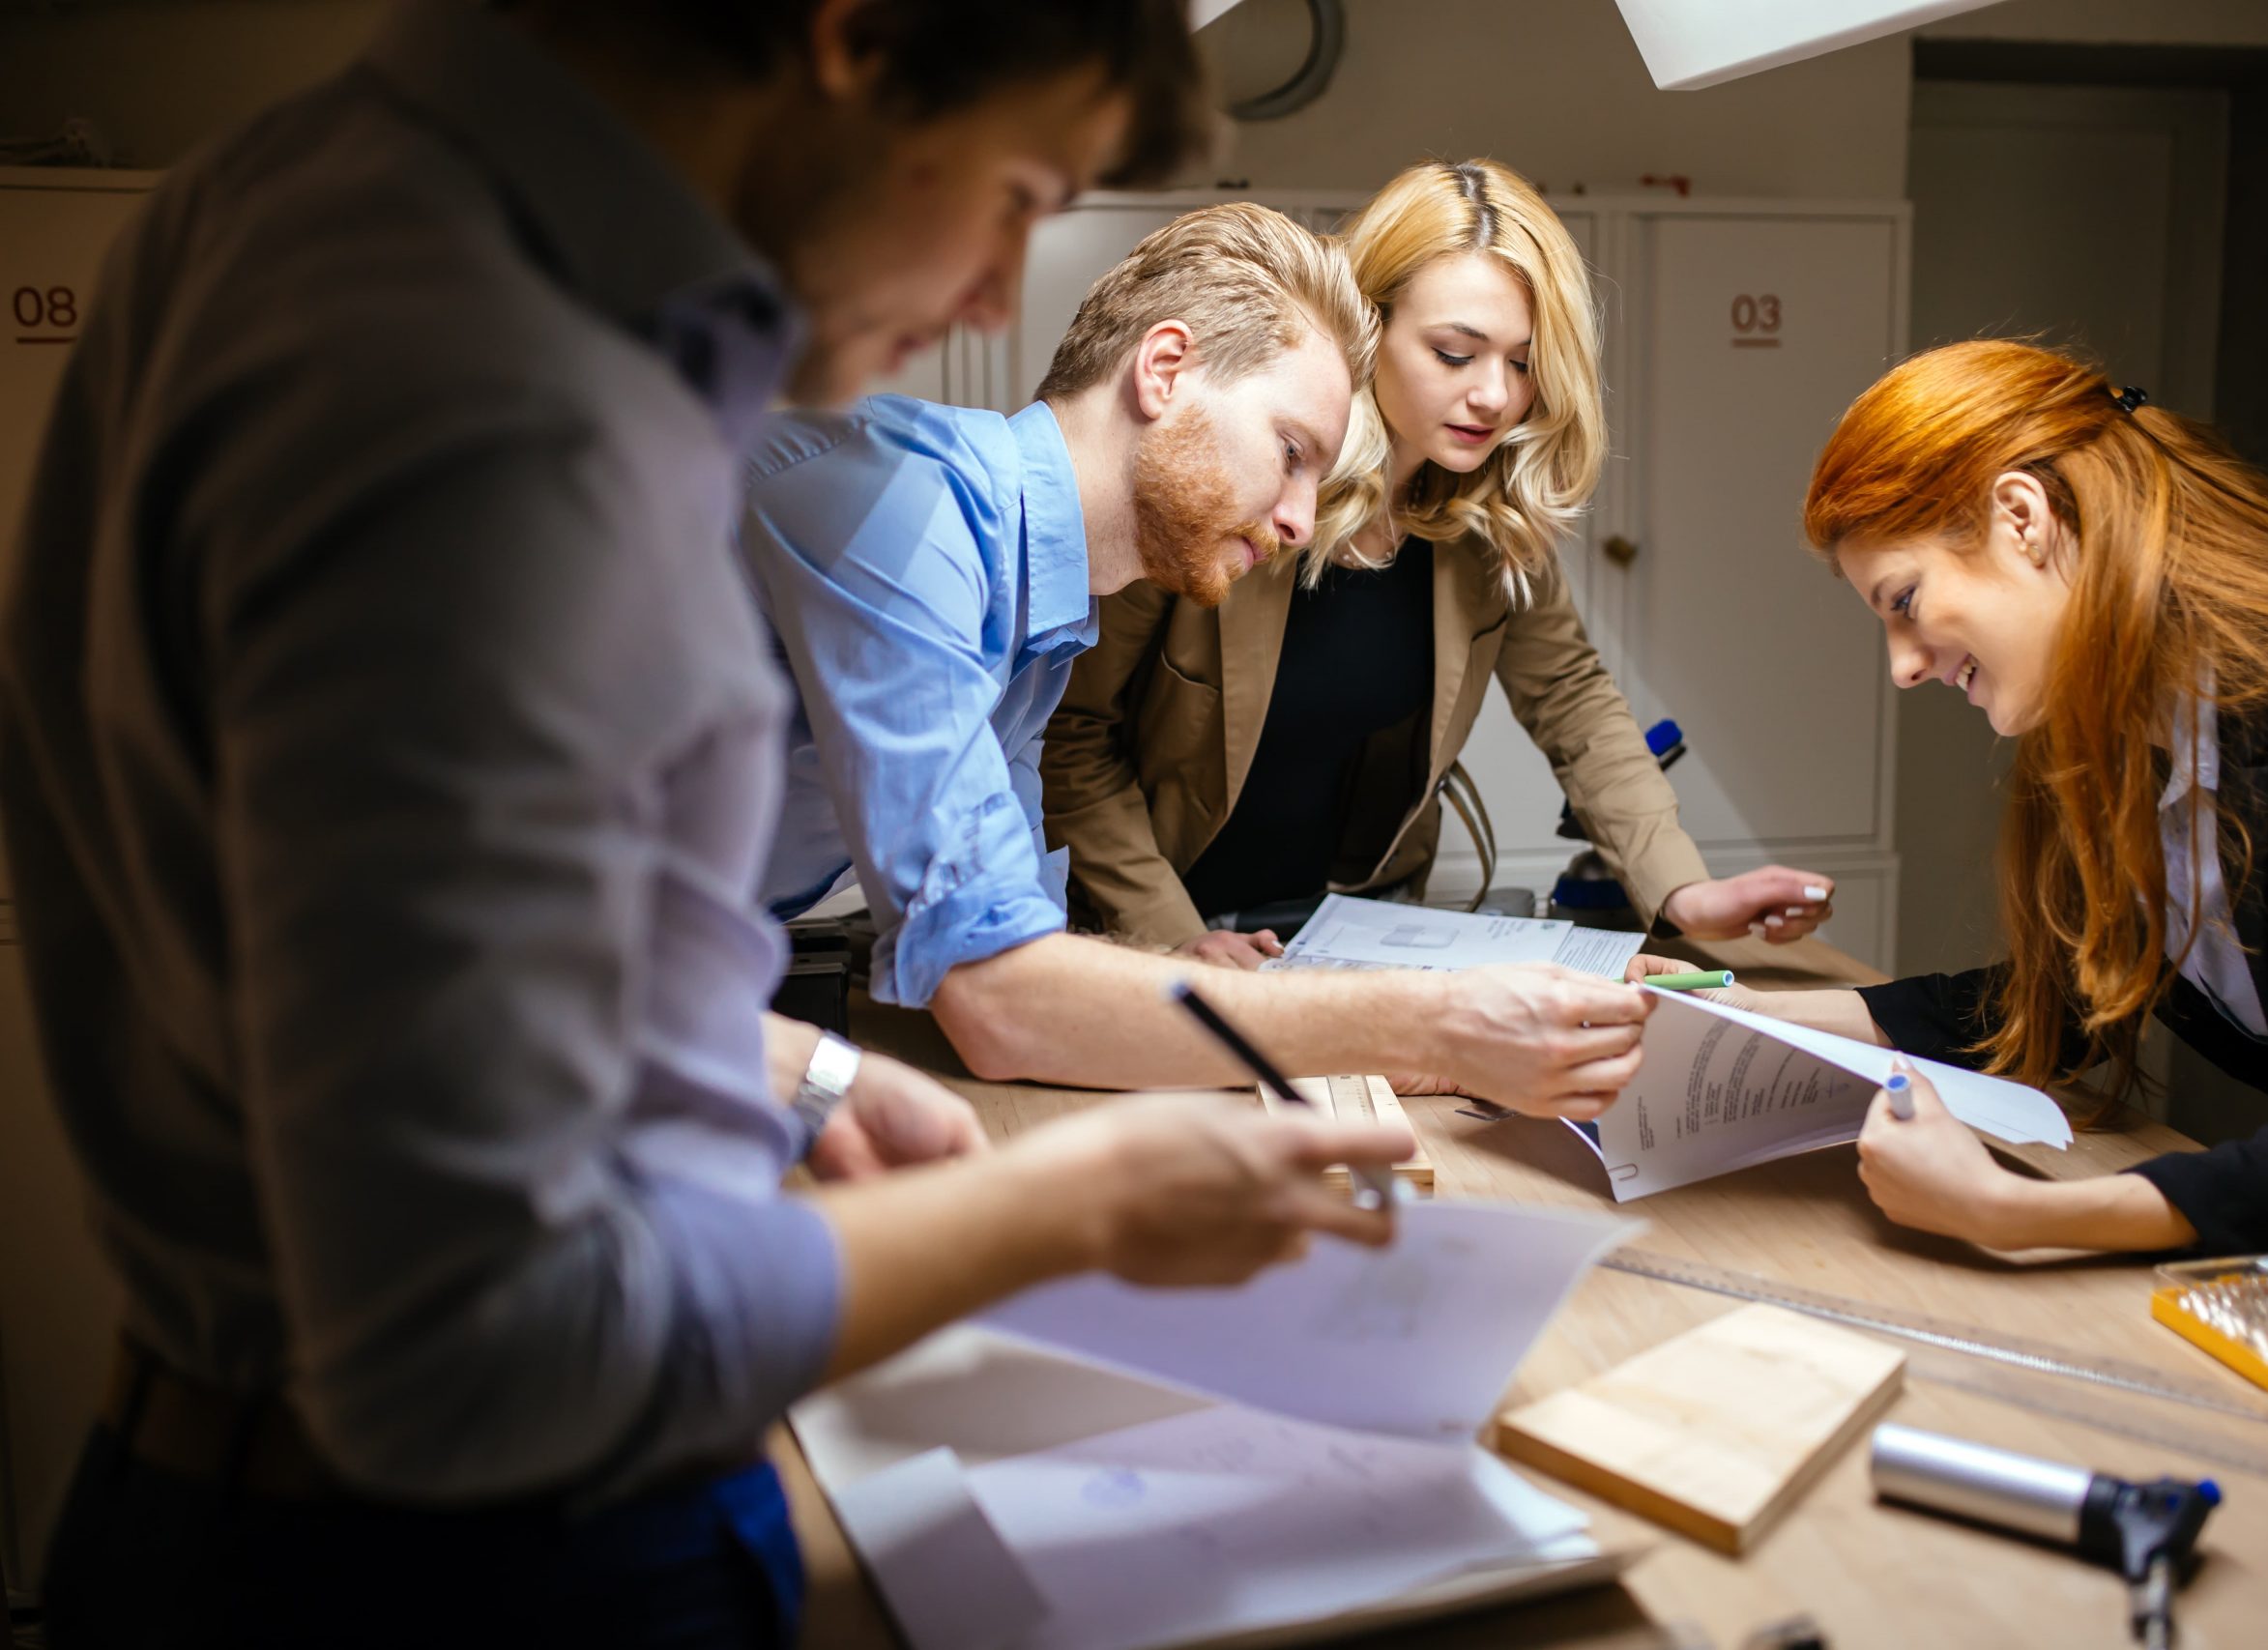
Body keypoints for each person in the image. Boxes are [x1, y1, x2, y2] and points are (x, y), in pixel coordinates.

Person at [1, 4, 1416, 1645]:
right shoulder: (498, 386)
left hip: (321, 1495)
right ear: (859, 45)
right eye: (1018, 193)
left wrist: (786, 1066)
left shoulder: (318, 208)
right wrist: (1077, 1209)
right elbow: (483, 1353)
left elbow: (391, 968)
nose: (985, 295)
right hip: (449, 1564)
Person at [739, 200, 1655, 1106]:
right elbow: (1001, 999)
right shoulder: (909, 522)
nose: (1301, 520)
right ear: (1165, 370)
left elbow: (1028, 954)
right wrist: (1428, 1019)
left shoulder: (1042, 616)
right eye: (1291, 451)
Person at [1628, 338, 2268, 1283]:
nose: (1904, 667)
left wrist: (2005, 1210)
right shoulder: (2137, 741)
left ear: (2022, 518)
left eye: (1904, 601)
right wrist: (1745, 1016)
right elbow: (2056, 1002)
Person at [1041, 159, 1837, 971]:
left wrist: (1679, 889)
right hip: (1159, 932)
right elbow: (1070, 737)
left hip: (1353, 933)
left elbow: (1571, 698)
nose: (1494, 395)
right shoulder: (1232, 490)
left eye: (1523, 362)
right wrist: (1178, 938)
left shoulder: (1484, 521)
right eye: (1456, 353)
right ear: (1365, 327)